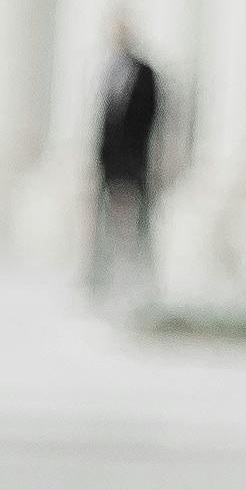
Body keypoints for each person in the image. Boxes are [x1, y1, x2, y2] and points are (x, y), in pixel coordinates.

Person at [92, 26, 163, 300]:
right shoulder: (109, 71)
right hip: (109, 163)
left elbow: (150, 118)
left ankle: (139, 275)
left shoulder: (144, 74)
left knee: (137, 219)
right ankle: (105, 275)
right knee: (107, 219)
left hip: (134, 162)